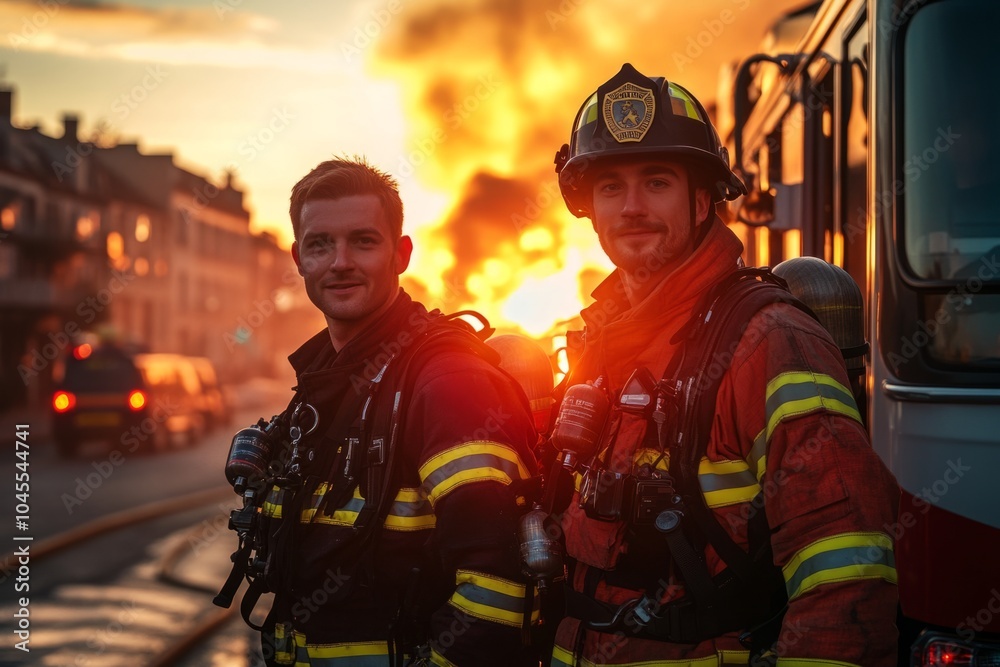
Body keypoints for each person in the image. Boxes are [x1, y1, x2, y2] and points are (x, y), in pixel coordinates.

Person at [544, 63, 900, 666]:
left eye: (656, 182)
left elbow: (846, 568)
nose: (631, 208)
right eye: (610, 187)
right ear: (589, 207)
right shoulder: (599, 345)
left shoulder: (770, 340)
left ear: (703, 198)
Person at [241, 156, 541, 666]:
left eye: (363, 241)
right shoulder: (322, 385)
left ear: (400, 254)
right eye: (320, 244)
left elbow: (497, 590)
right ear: (299, 259)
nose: (340, 262)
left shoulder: (448, 382)